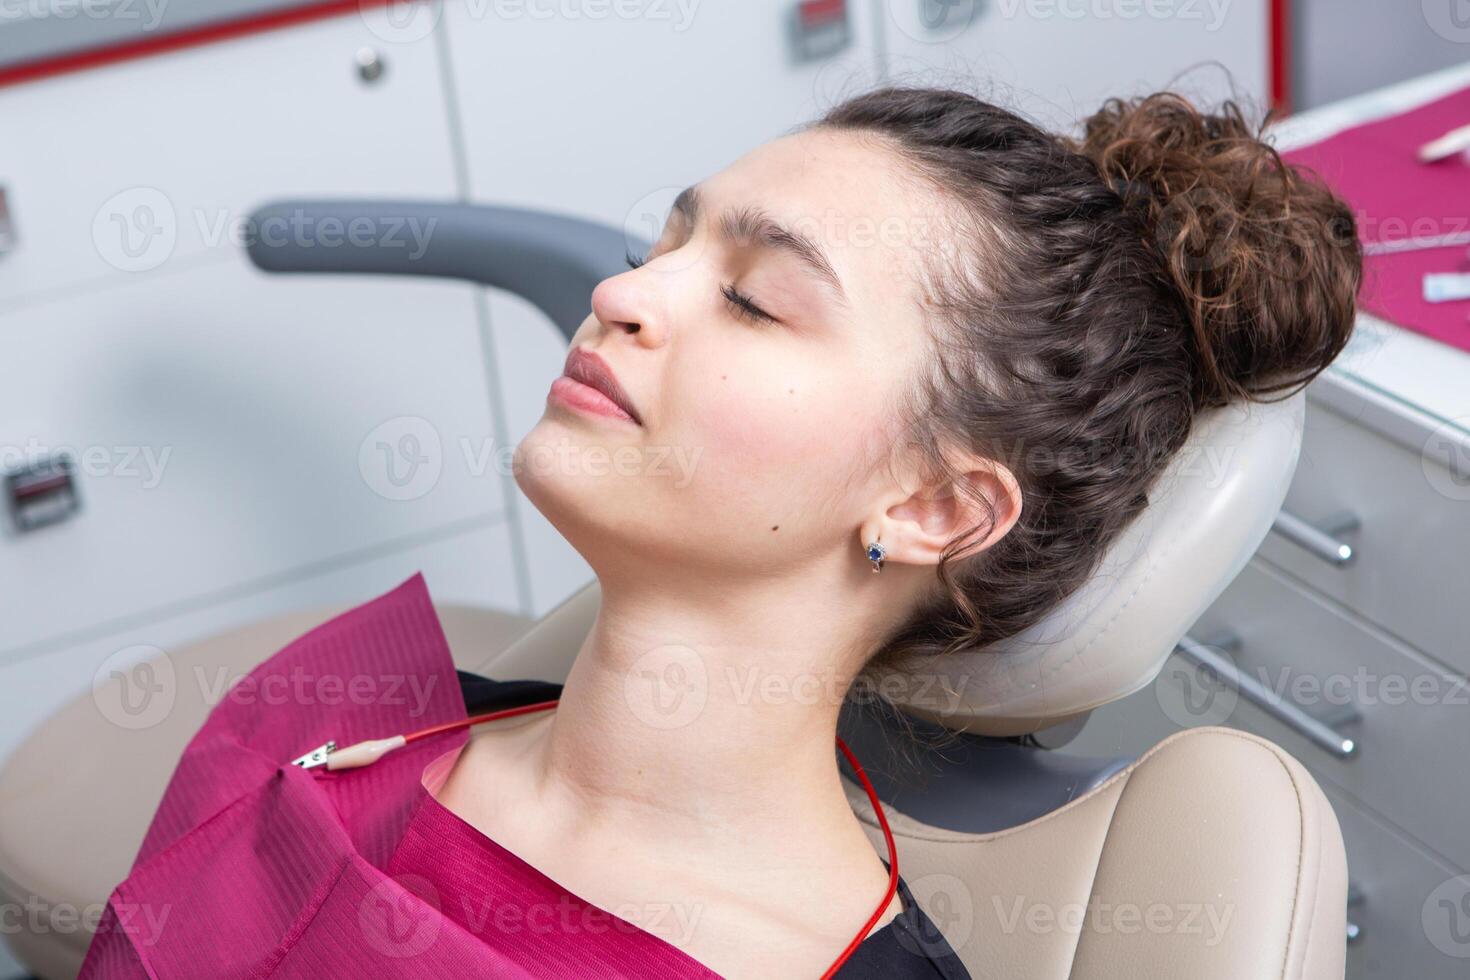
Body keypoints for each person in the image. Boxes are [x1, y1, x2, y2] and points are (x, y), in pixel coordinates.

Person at [434, 83, 1362, 978]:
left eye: (753, 300)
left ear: (936, 510)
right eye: (661, 249)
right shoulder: (391, 714)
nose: (618, 293)